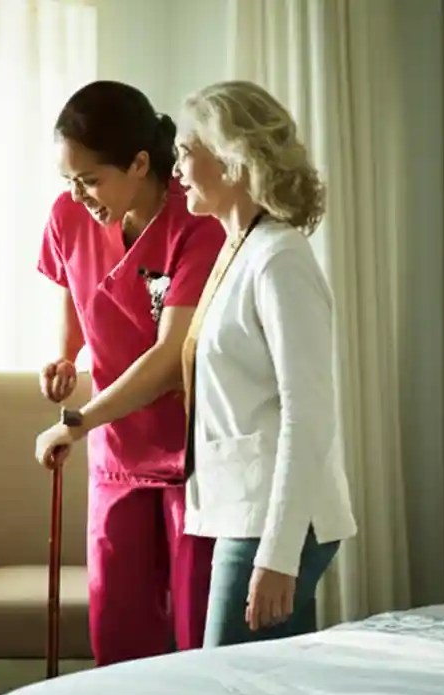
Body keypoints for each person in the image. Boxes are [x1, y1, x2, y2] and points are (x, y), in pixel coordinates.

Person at [31, 80, 226, 665]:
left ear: (140, 163)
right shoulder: (68, 212)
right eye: (69, 180)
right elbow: (72, 280)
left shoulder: (197, 222)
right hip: (117, 449)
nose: (79, 195)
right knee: (118, 632)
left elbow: (170, 357)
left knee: (196, 634)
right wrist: (66, 354)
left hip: (192, 452)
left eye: (91, 179)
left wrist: (77, 420)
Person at [172, 80, 358, 647]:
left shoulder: (279, 260)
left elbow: (310, 413)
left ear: (231, 161)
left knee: (223, 686)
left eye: (186, 150)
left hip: (276, 520)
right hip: (247, 511)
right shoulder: (239, 251)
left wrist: (278, 553)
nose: (176, 166)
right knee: (272, 694)